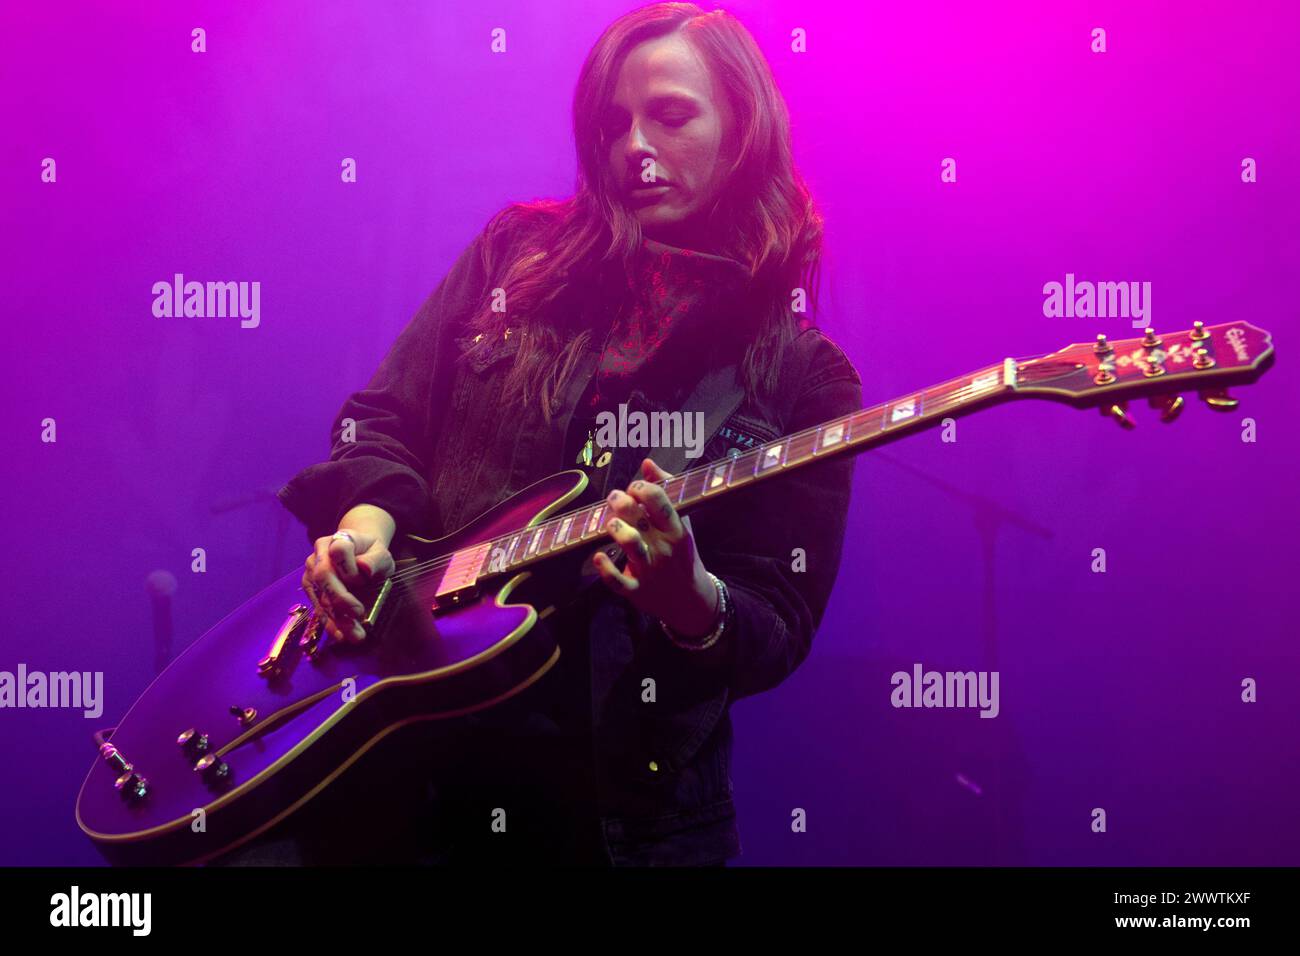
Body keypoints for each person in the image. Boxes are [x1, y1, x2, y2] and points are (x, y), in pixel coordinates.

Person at [214, 1, 861, 868]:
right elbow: (382, 419)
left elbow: (775, 622)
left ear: (744, 126)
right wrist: (365, 530)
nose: (634, 144)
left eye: (669, 116)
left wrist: (690, 600)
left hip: (614, 818)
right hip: (397, 773)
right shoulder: (514, 257)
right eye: (612, 122)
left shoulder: (802, 374)